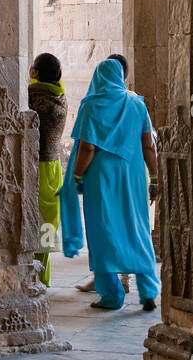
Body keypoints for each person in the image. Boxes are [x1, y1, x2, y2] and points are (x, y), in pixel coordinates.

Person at [60, 56, 160, 311]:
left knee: (103, 232)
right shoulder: (138, 105)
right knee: (136, 228)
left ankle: (112, 296)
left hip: (101, 179)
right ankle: (148, 290)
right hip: (134, 176)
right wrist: (156, 177)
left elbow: (88, 148)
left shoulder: (91, 106)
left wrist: (76, 177)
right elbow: (149, 146)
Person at [27, 53, 68, 287]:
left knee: (33, 219)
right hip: (53, 167)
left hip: (34, 166)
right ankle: (43, 275)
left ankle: (32, 274)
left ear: (34, 72)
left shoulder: (30, 96)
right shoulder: (59, 94)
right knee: (47, 222)